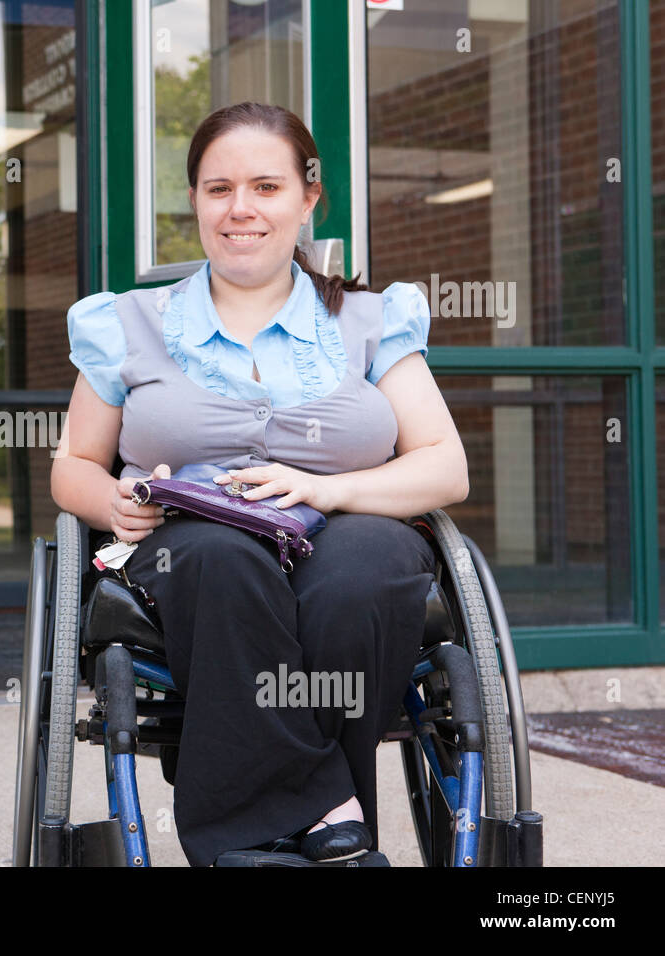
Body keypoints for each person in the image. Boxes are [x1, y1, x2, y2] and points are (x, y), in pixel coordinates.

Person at [49, 102, 469, 866]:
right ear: (196, 203)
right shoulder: (128, 322)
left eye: (266, 187)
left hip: (350, 527)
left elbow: (446, 465)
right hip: (190, 545)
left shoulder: (371, 321)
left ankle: (269, 827)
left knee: (362, 577)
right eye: (218, 189)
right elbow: (71, 465)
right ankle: (317, 819)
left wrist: (328, 490)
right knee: (221, 560)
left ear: (308, 200)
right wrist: (110, 499)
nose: (240, 209)